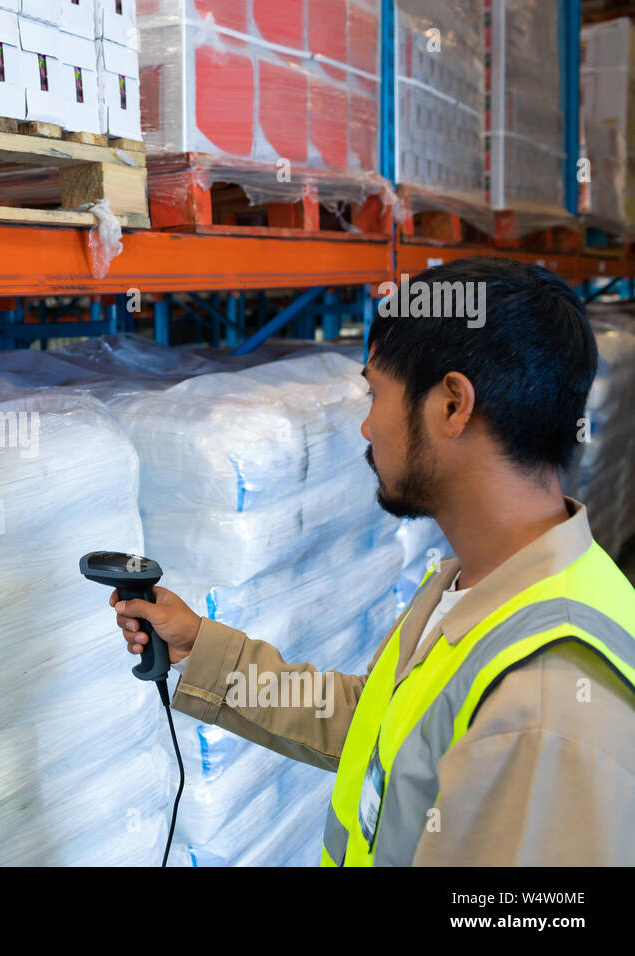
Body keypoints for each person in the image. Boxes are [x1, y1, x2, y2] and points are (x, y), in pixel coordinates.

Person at [111, 257, 635, 865]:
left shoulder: (543, 700)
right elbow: (376, 726)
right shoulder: (477, 583)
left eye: (375, 392)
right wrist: (199, 648)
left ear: (451, 406)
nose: (365, 426)